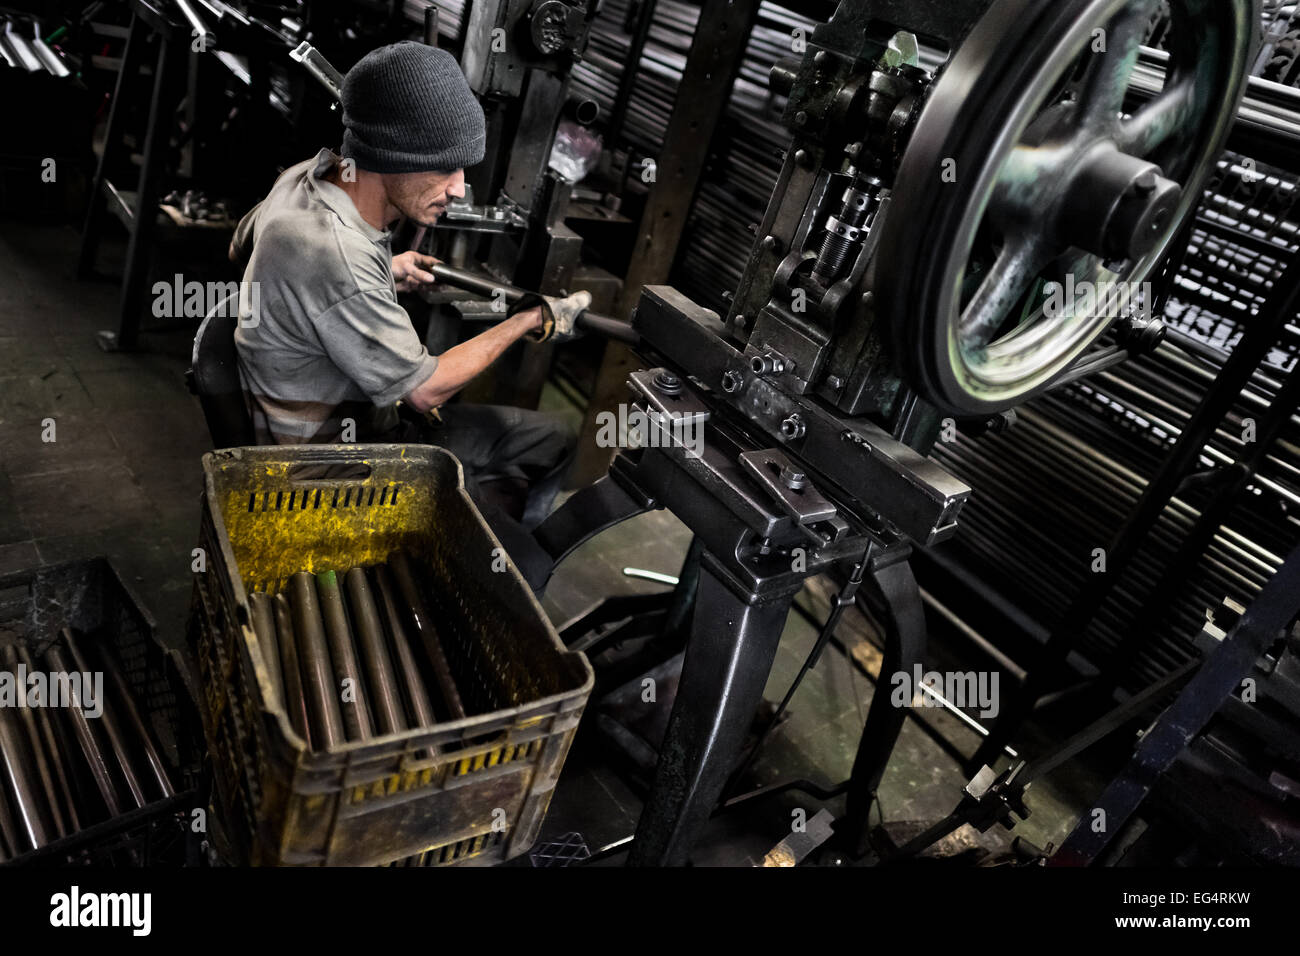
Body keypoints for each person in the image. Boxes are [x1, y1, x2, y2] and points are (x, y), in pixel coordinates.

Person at [229, 42, 589, 586]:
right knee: (528, 570)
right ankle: (463, 571)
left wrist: (382, 272)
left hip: (359, 424)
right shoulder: (338, 255)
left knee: (553, 437)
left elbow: (240, 249)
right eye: (444, 168)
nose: (458, 188)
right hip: (334, 474)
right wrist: (529, 319)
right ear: (391, 156)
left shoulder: (309, 176)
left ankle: (465, 539)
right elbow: (426, 390)